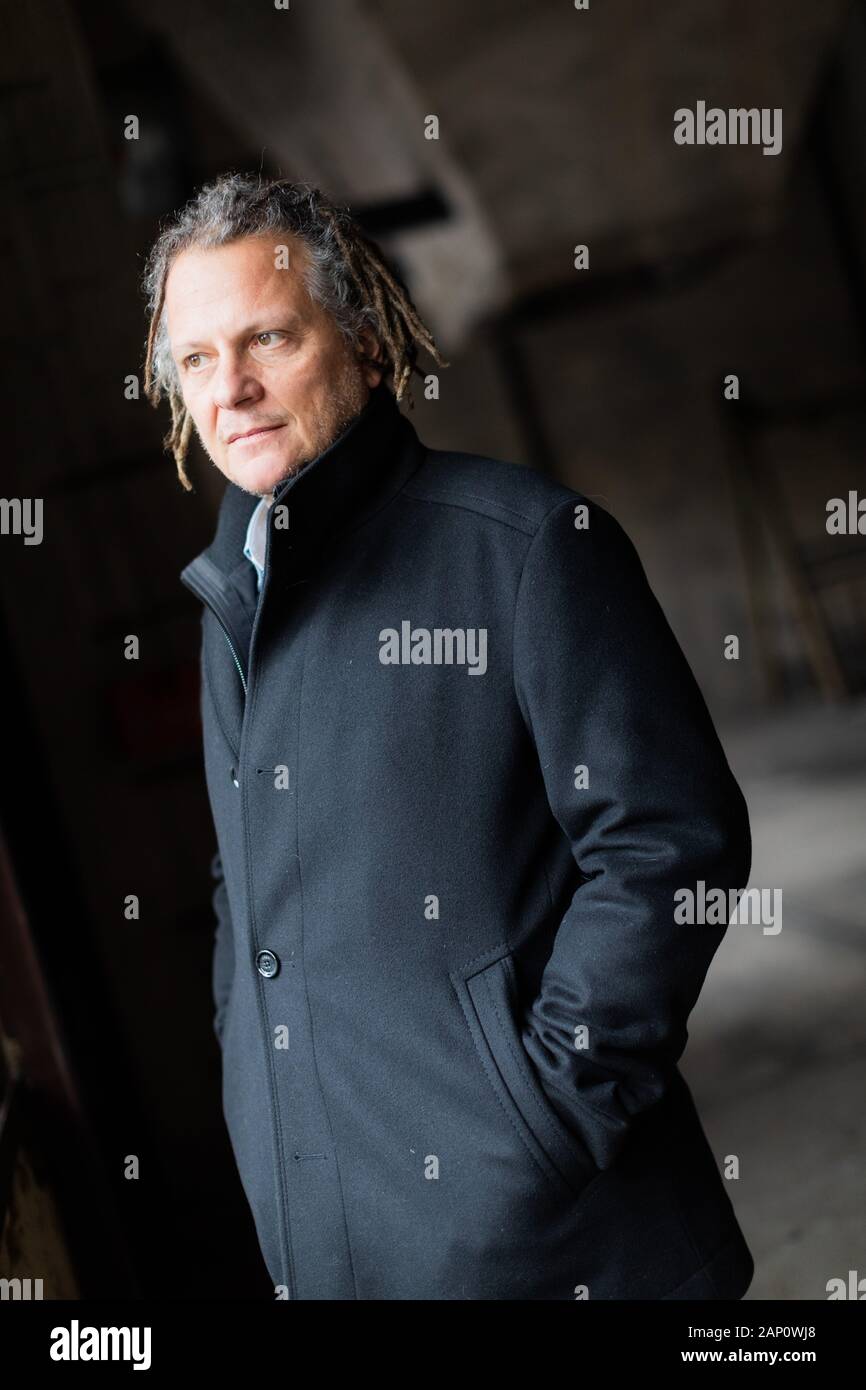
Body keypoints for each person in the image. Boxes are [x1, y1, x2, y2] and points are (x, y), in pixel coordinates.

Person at [142, 172, 754, 1300]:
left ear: (364, 345)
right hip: (338, 1248)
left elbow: (671, 847)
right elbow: (249, 884)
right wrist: (256, 1089)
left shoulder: (524, 547)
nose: (228, 388)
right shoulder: (231, 603)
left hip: (558, 1249)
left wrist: (545, 1117)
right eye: (194, 358)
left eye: (266, 337)